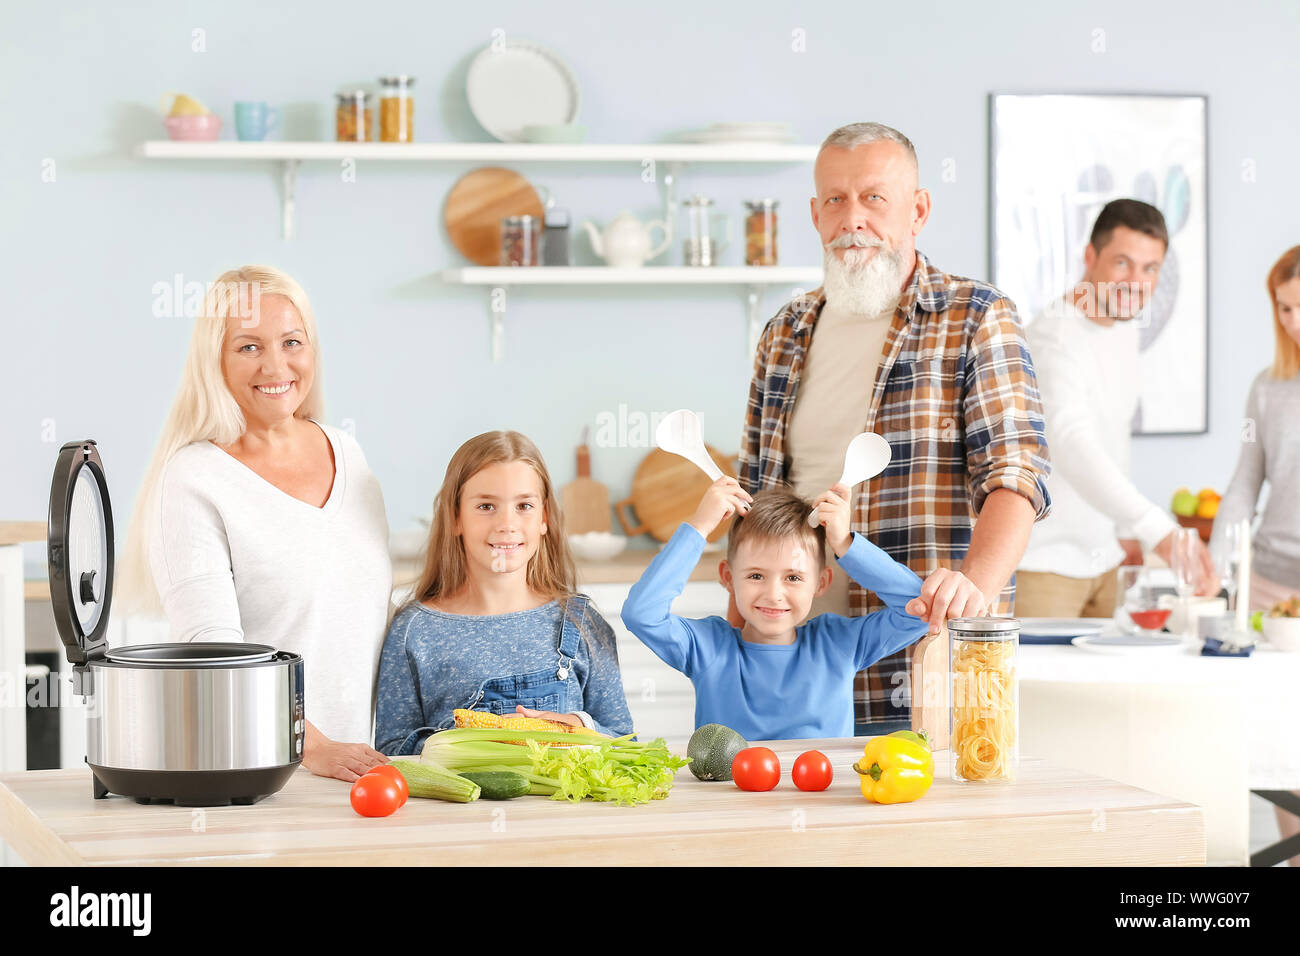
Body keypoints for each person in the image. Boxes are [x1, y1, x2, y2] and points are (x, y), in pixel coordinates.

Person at [740, 122, 1051, 734]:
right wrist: (737, 636)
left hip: (923, 635)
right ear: (815, 212)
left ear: (918, 209)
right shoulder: (785, 331)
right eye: (835, 199)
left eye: (874, 197)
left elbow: (1016, 474)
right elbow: (755, 500)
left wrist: (974, 588)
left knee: (936, 812)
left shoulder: (977, 317)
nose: (853, 218)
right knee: (796, 814)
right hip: (792, 645)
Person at [119, 265, 393, 782]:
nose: (276, 365)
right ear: (213, 361)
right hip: (259, 776)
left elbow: (368, 615)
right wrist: (313, 748)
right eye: (248, 347)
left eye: (292, 341)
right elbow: (217, 655)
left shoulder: (347, 453)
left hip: (363, 776)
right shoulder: (193, 479)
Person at [374, 431, 633, 755]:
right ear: (456, 518)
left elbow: (626, 745)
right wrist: (472, 745)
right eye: (486, 506)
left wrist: (578, 727)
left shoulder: (582, 625)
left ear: (545, 519)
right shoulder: (415, 631)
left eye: (524, 505)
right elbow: (391, 752)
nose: (507, 524)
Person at [1017, 199, 1216, 616]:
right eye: (1123, 263)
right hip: (1046, 568)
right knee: (1039, 684)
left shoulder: (1121, 331)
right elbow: (1071, 443)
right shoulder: (1054, 337)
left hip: (1106, 562)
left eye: (1150, 268)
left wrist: (1126, 532)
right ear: (1090, 257)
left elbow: (1111, 439)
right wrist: (1157, 530)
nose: (1136, 281)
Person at [621, 477, 929, 741]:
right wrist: (700, 526)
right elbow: (641, 614)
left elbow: (919, 609)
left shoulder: (837, 644)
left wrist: (845, 542)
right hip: (733, 807)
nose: (773, 594)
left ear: (821, 583)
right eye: (756, 575)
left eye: (793, 577)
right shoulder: (708, 647)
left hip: (823, 805)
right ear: (728, 577)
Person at [1211, 244, 1300, 865]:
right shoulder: (1268, 389)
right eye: (1284, 308)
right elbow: (1245, 483)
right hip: (1273, 587)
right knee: (1282, 736)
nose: (1292, 320)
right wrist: (1221, 556)